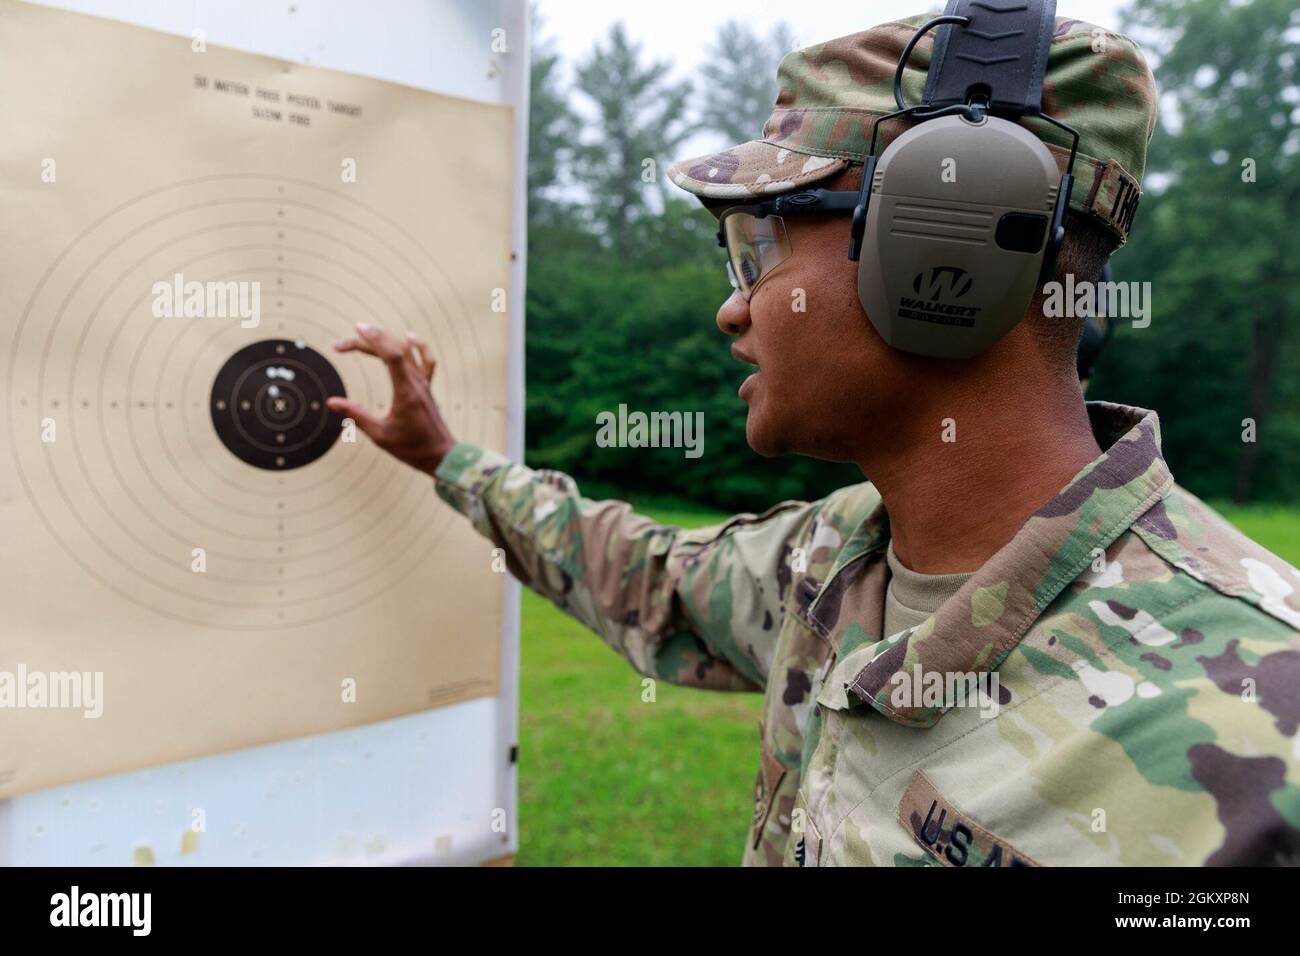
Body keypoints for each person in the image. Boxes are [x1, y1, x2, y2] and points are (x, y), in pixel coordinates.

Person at [326, 11, 1300, 866]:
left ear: (941, 243)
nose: (730, 309)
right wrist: (442, 454)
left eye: (758, 244)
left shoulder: (1268, 717)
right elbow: (638, 570)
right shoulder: (830, 561)